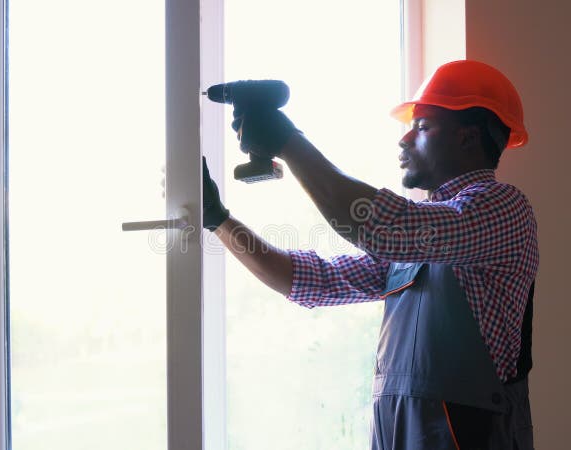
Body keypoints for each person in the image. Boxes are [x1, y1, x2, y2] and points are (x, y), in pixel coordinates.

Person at [203, 60, 539, 450]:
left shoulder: (500, 209)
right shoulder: (424, 238)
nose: (405, 139)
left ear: (467, 139)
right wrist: (218, 220)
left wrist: (287, 141)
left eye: (423, 126)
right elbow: (312, 280)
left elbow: (379, 226)